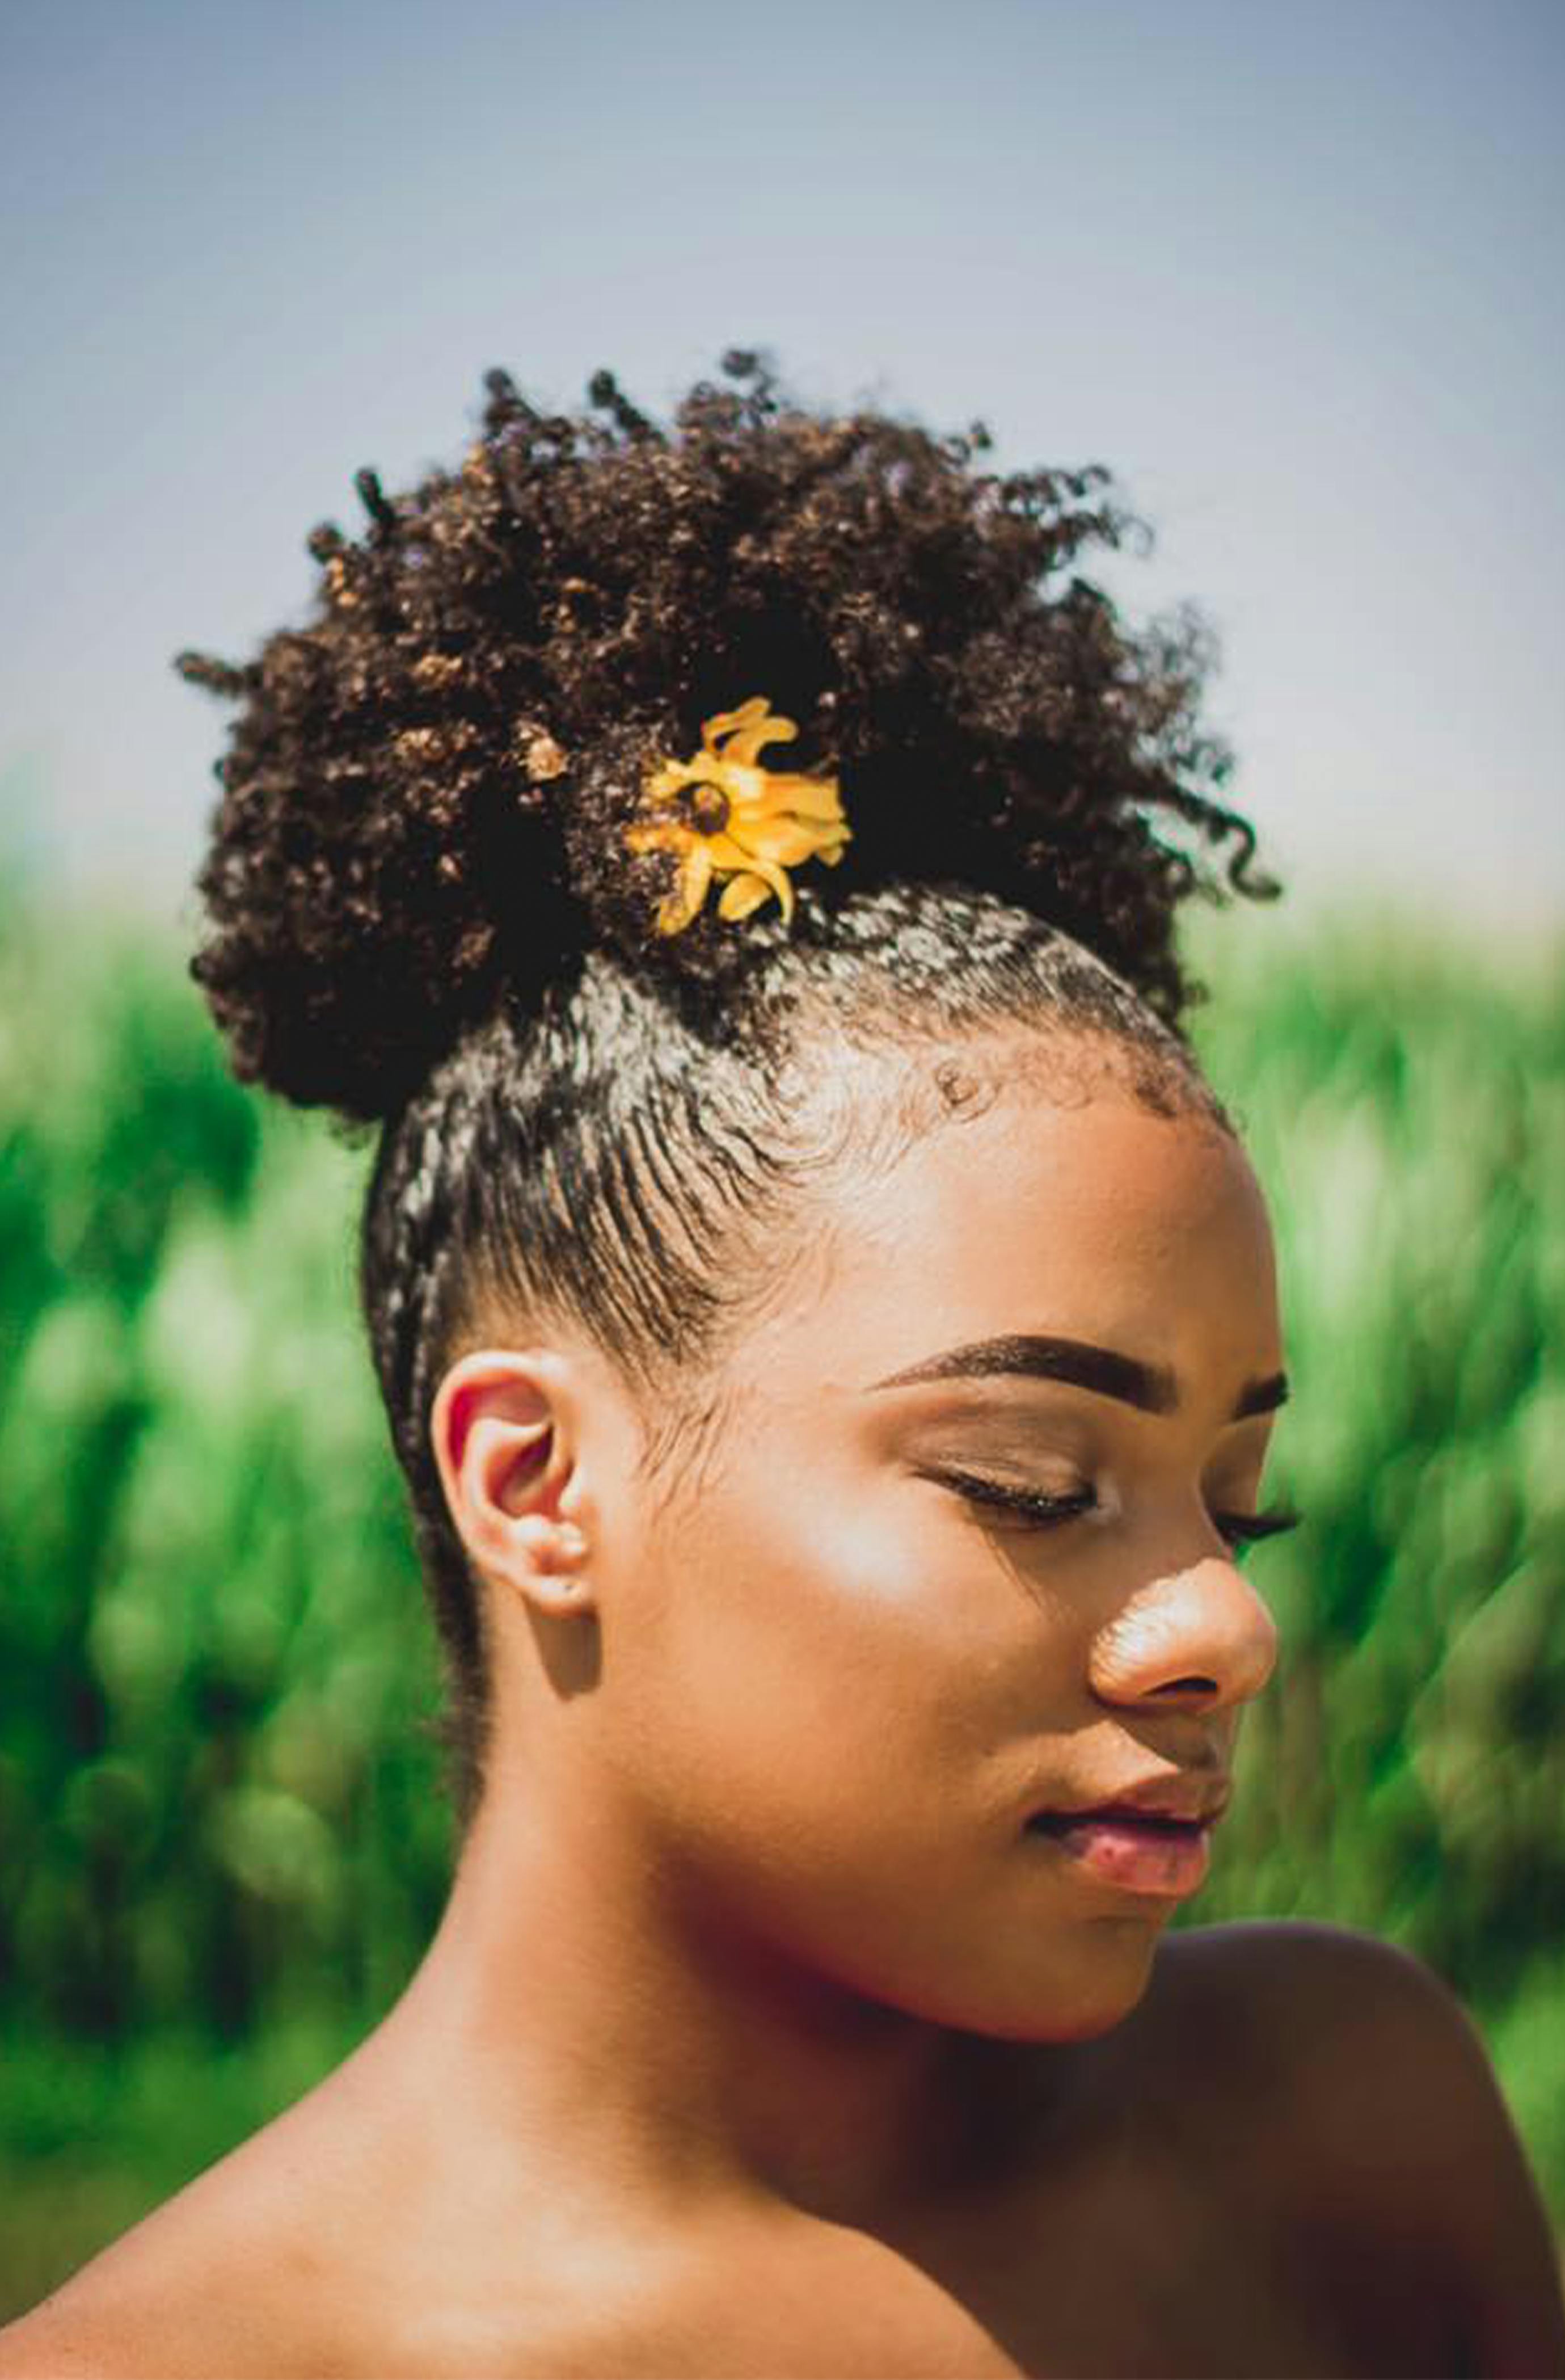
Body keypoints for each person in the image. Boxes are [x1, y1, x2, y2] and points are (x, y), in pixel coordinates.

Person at [3, 355, 1560, 2379]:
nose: (1225, 1625)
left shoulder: (1348, 2122)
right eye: (1030, 1479)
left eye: (1234, 1495)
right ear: (535, 1481)